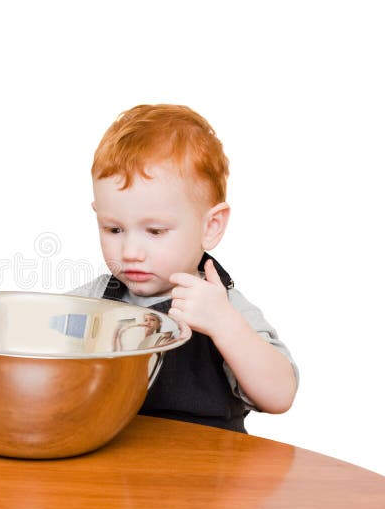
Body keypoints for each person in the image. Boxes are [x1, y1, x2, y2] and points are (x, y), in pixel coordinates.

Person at [71, 104, 298, 433]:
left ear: (211, 227)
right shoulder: (92, 301)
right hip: (120, 473)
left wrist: (225, 326)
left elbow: (279, 396)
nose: (131, 252)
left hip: (210, 473)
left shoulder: (221, 304)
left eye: (156, 231)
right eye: (114, 229)